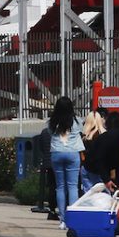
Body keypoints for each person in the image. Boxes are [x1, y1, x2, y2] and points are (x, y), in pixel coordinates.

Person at [44, 96, 84, 227]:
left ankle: (62, 220)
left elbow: (49, 132)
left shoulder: (52, 122)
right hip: (73, 153)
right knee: (73, 186)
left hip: (57, 152)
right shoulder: (77, 121)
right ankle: (73, 218)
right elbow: (81, 132)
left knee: (60, 186)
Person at [82, 112, 119, 191]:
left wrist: (107, 180)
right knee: (103, 198)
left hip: (91, 169)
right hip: (97, 171)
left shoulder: (103, 137)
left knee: (91, 199)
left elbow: (99, 159)